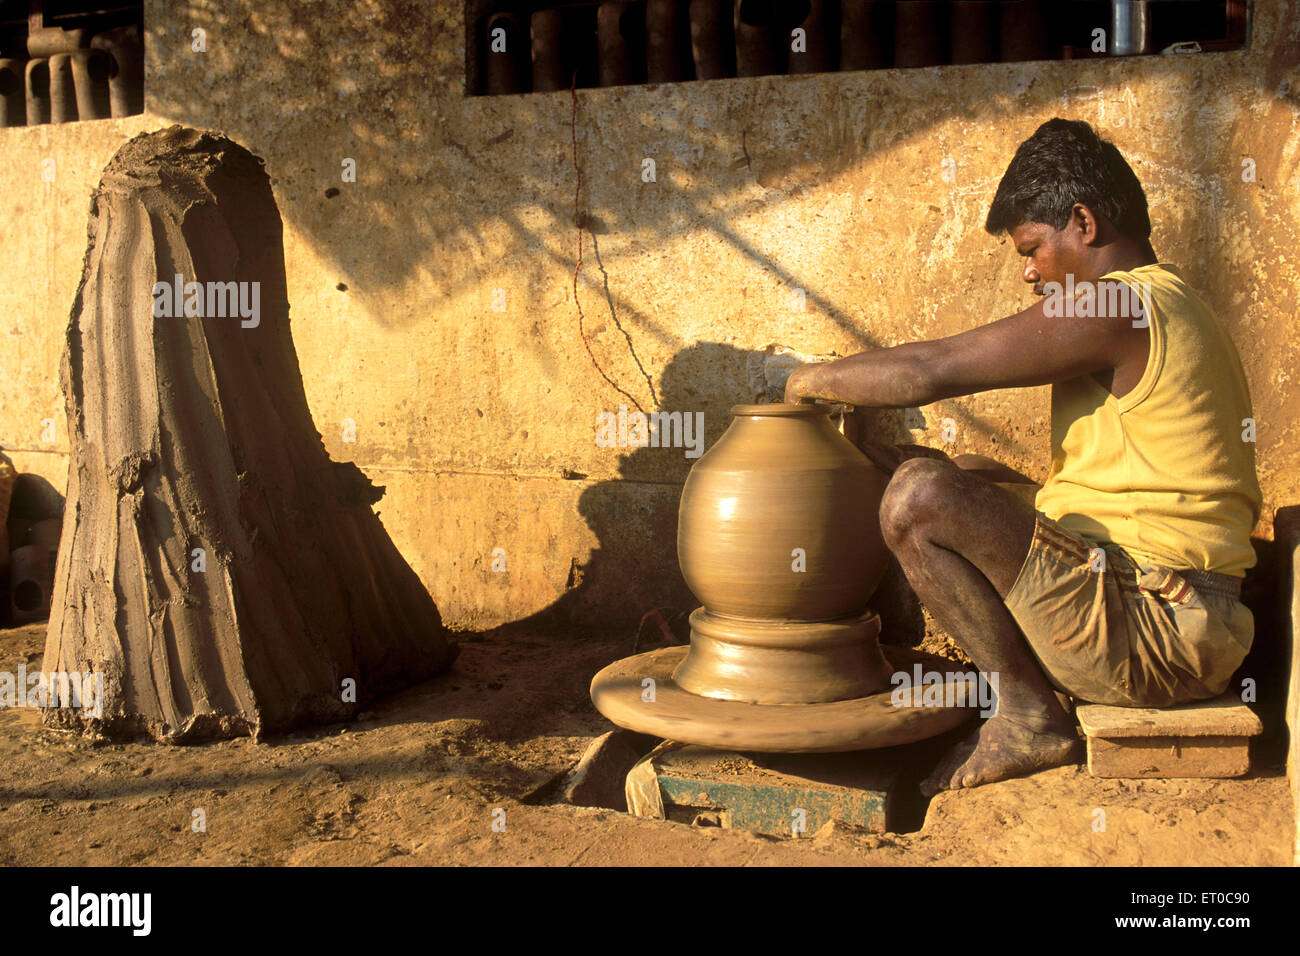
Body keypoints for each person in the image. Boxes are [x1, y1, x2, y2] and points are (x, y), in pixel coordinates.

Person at [785, 118, 1261, 794]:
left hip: (1160, 635)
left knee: (920, 498)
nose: (1032, 273)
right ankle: (1028, 699)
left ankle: (1029, 716)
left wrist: (807, 382)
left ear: (1084, 222)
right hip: (1176, 614)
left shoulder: (1116, 306)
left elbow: (934, 368)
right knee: (964, 476)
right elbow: (1111, 489)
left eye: (1034, 249)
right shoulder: (1168, 301)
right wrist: (962, 481)